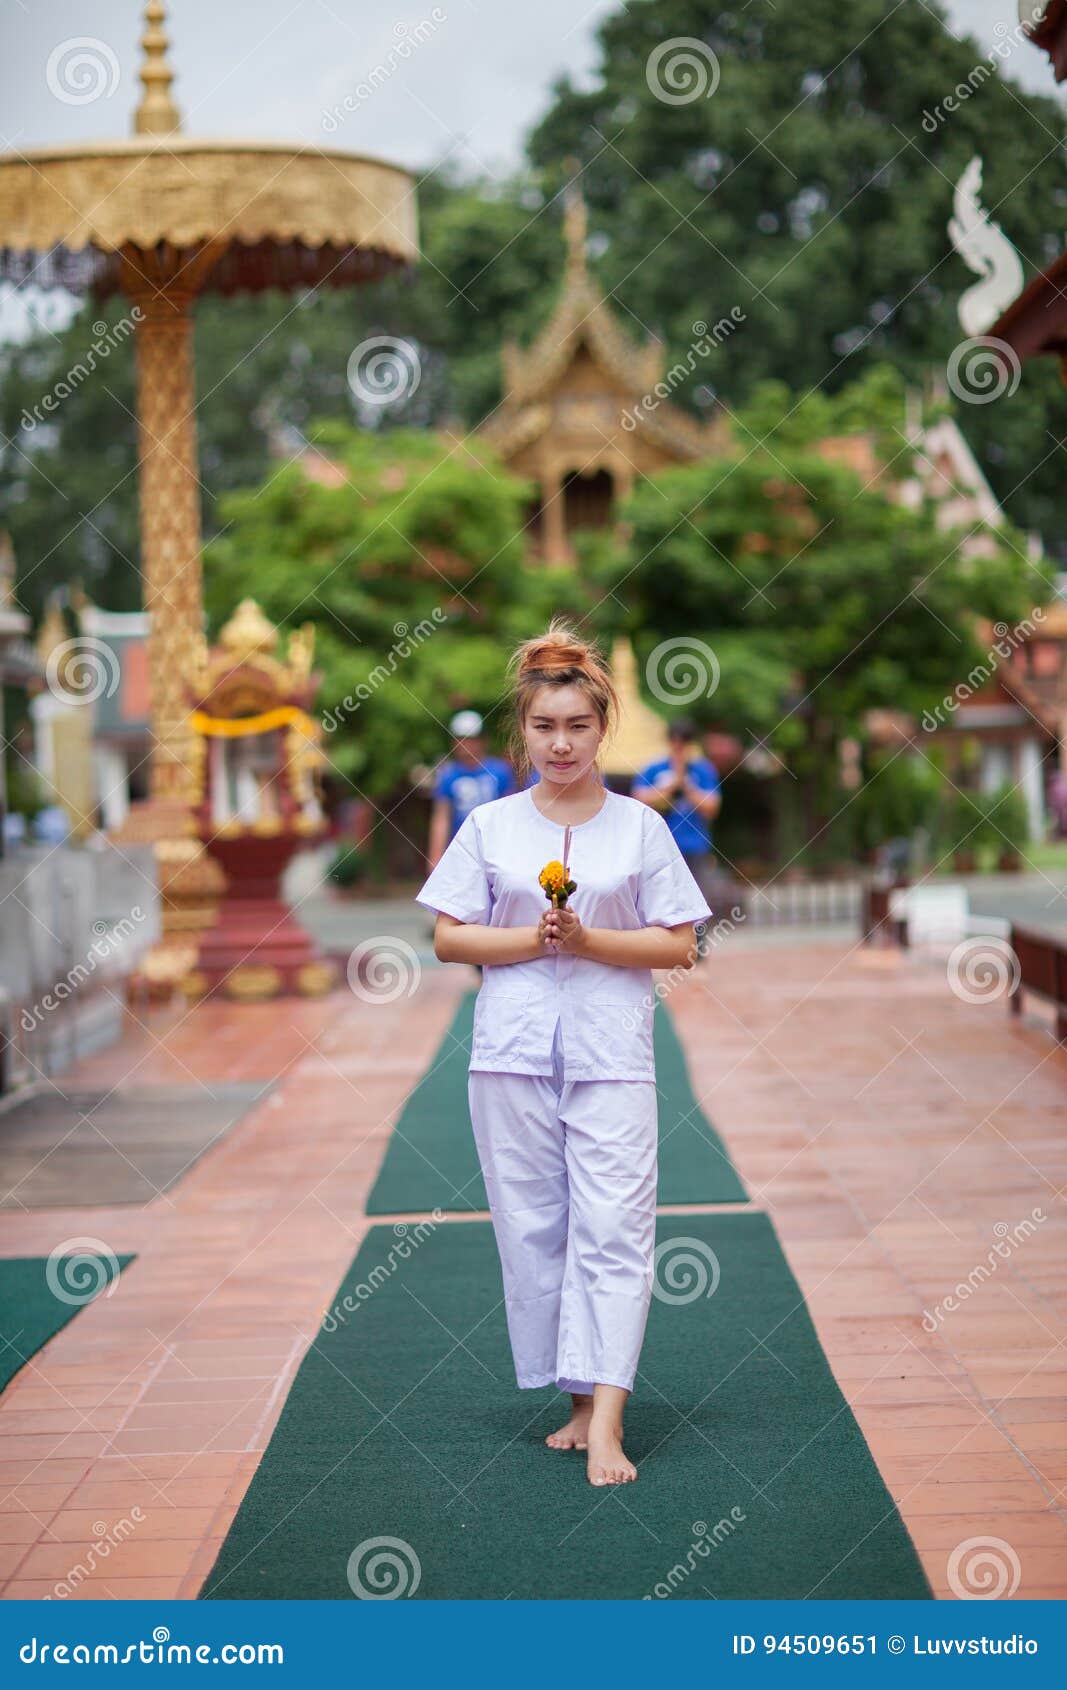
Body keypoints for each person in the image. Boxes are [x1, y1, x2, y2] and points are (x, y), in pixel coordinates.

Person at [414, 621, 711, 1487]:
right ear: (522, 732)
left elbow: (678, 945)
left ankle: (611, 1420)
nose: (561, 743)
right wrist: (533, 939)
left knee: (615, 1229)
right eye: (545, 726)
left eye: (578, 725)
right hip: (508, 1055)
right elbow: (444, 937)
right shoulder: (490, 826)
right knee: (534, 1231)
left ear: (601, 728)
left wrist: (585, 940)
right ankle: (574, 1401)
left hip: (611, 1054)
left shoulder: (641, 830)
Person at [632, 719, 721, 943]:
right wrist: (671, 785)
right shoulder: (654, 768)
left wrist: (687, 785)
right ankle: (664, 949)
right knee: (660, 901)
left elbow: (712, 807)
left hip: (695, 846)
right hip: (660, 847)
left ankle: (697, 951)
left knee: (697, 901)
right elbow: (639, 801)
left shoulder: (703, 769)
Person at [426, 709, 513, 870]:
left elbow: (510, 811)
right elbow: (441, 818)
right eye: (460, 739)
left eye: (471, 739)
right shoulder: (448, 775)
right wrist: (435, 857)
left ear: (483, 741)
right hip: (462, 850)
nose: (465, 745)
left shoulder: (500, 771)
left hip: (495, 849)